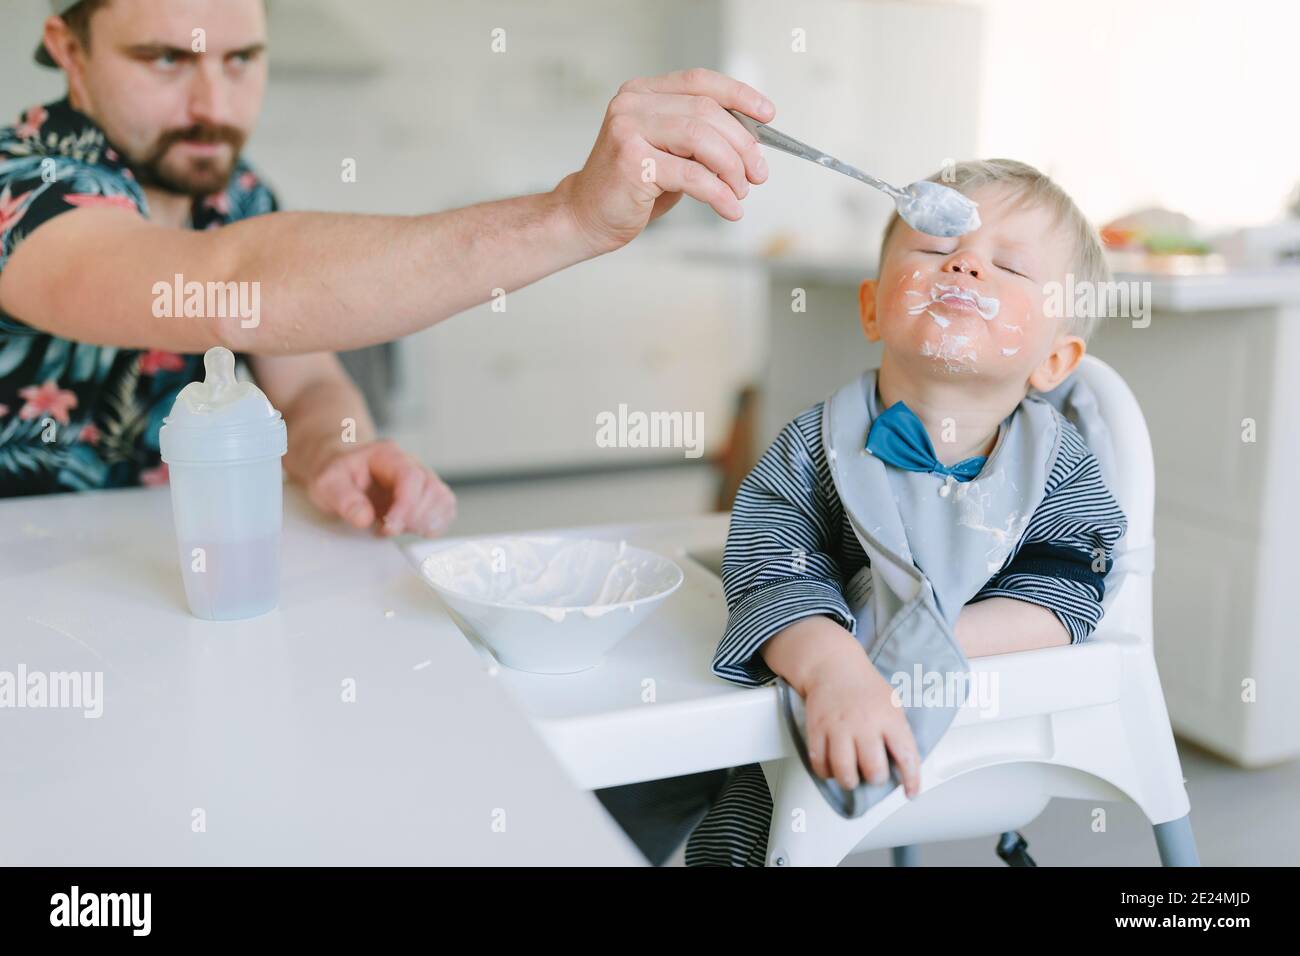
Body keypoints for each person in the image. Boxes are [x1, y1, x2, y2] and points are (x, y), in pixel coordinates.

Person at [0, 0, 775, 537]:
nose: (213, 102)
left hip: (181, 580)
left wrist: (337, 447)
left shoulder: (235, 190)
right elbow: (235, 284)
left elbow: (301, 382)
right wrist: (569, 215)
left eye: (241, 59)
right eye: (167, 58)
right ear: (71, 52)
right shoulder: (21, 191)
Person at [685, 160, 1129, 865]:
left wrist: (910, 651)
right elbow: (769, 571)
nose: (966, 266)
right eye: (933, 250)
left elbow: (1068, 589)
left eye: (1009, 266)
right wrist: (835, 667)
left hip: (996, 732)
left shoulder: (1060, 464)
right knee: (714, 795)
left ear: (1053, 360)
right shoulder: (814, 445)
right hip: (819, 718)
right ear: (871, 307)